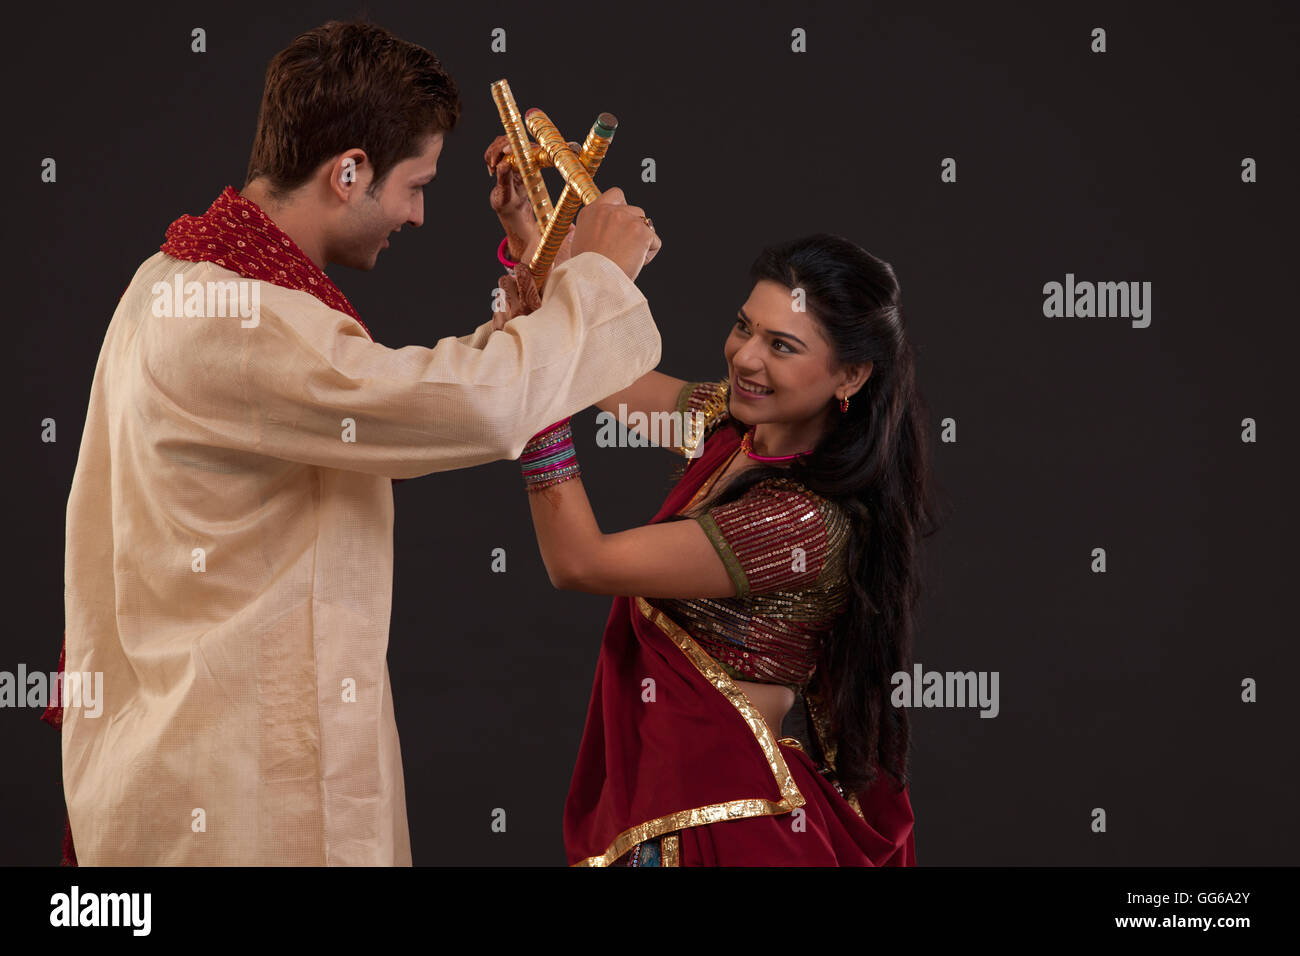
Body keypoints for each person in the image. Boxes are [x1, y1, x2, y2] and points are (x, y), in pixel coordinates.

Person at [46, 20, 664, 866]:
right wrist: (595, 279)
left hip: (209, 753)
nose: (417, 214)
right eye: (415, 184)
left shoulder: (180, 277)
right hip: (236, 792)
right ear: (349, 172)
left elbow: (393, 400)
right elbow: (466, 409)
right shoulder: (242, 320)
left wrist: (541, 297)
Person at [494, 203, 944, 863]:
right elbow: (594, 375)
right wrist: (538, 245)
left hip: (723, 831)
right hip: (675, 817)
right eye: (744, 328)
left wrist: (532, 400)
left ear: (850, 376)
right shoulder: (729, 428)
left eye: (782, 346)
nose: (746, 358)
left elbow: (579, 561)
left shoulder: (798, 524)